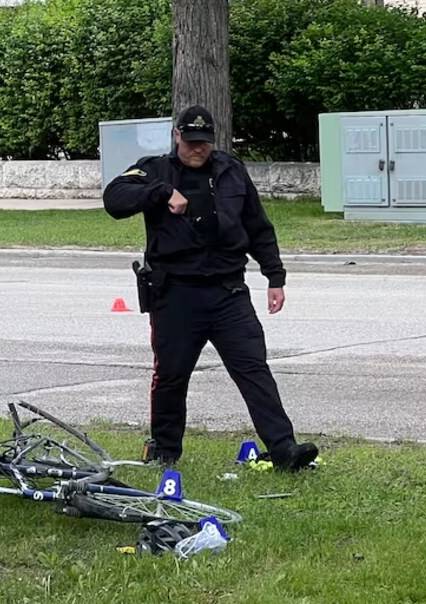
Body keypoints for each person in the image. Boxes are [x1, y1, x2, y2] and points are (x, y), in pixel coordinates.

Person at [102, 105, 318, 473]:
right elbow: (114, 198)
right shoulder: (155, 169)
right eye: (190, 141)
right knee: (171, 374)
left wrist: (274, 276)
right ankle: (165, 451)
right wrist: (159, 192)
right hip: (176, 295)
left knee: (254, 369)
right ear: (176, 136)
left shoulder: (231, 170)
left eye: (204, 142)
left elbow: (257, 225)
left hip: (228, 291)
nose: (197, 149)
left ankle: (284, 450)